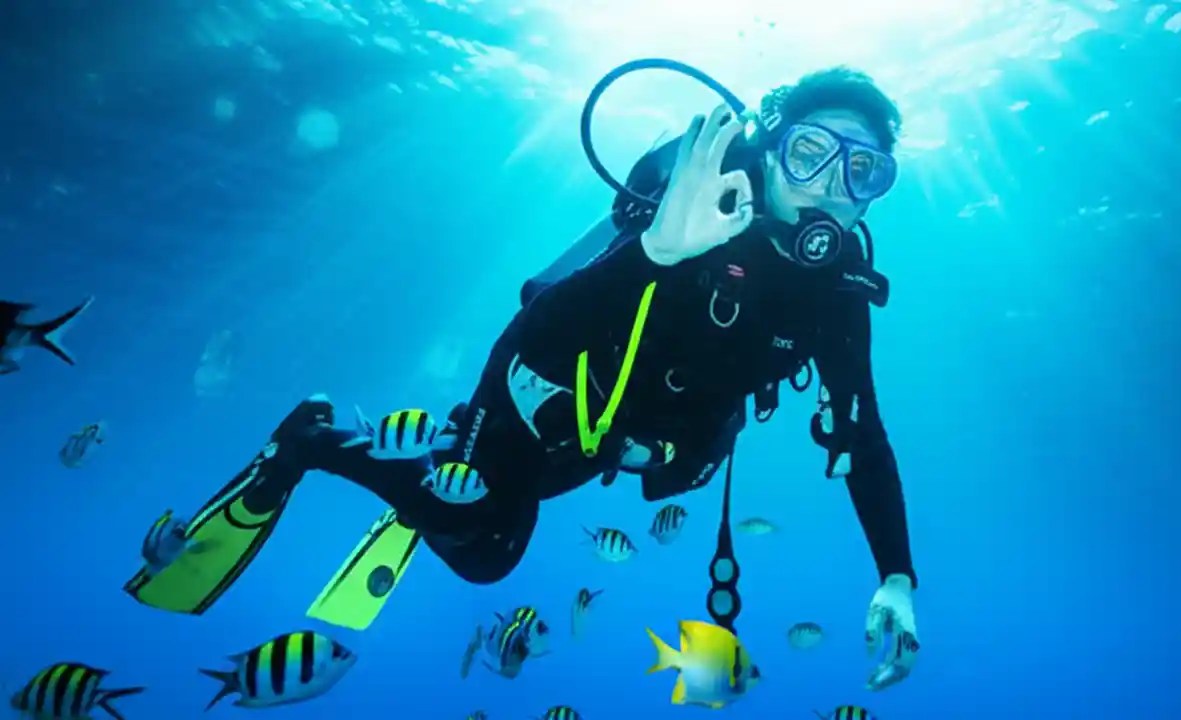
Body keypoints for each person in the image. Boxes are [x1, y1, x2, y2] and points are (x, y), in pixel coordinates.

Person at [124, 67, 920, 691]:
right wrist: (659, 253)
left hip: (621, 440)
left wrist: (896, 578)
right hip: (537, 398)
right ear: (773, 145)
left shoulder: (839, 299)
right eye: (812, 154)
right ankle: (315, 439)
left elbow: (866, 436)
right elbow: (532, 326)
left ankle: (428, 476)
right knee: (485, 554)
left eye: (864, 173)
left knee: (493, 526)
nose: (828, 188)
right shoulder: (694, 210)